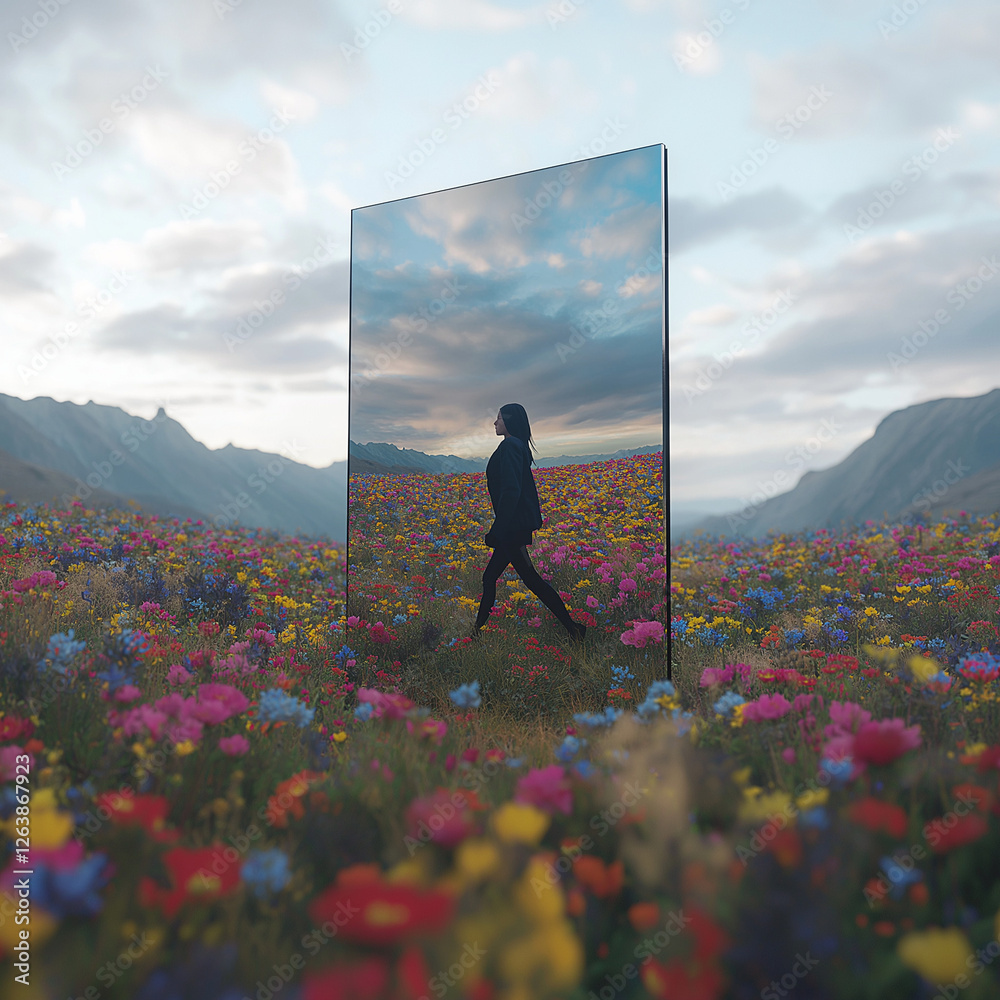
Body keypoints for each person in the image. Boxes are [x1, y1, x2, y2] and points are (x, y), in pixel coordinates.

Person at [474, 403, 586, 642]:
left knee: (530, 580)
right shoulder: (517, 445)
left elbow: (511, 491)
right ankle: (476, 632)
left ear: (510, 422)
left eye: (499, 418)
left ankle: (574, 629)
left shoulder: (510, 446)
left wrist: (498, 529)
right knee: (493, 577)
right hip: (513, 526)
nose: (495, 423)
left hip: (511, 528)